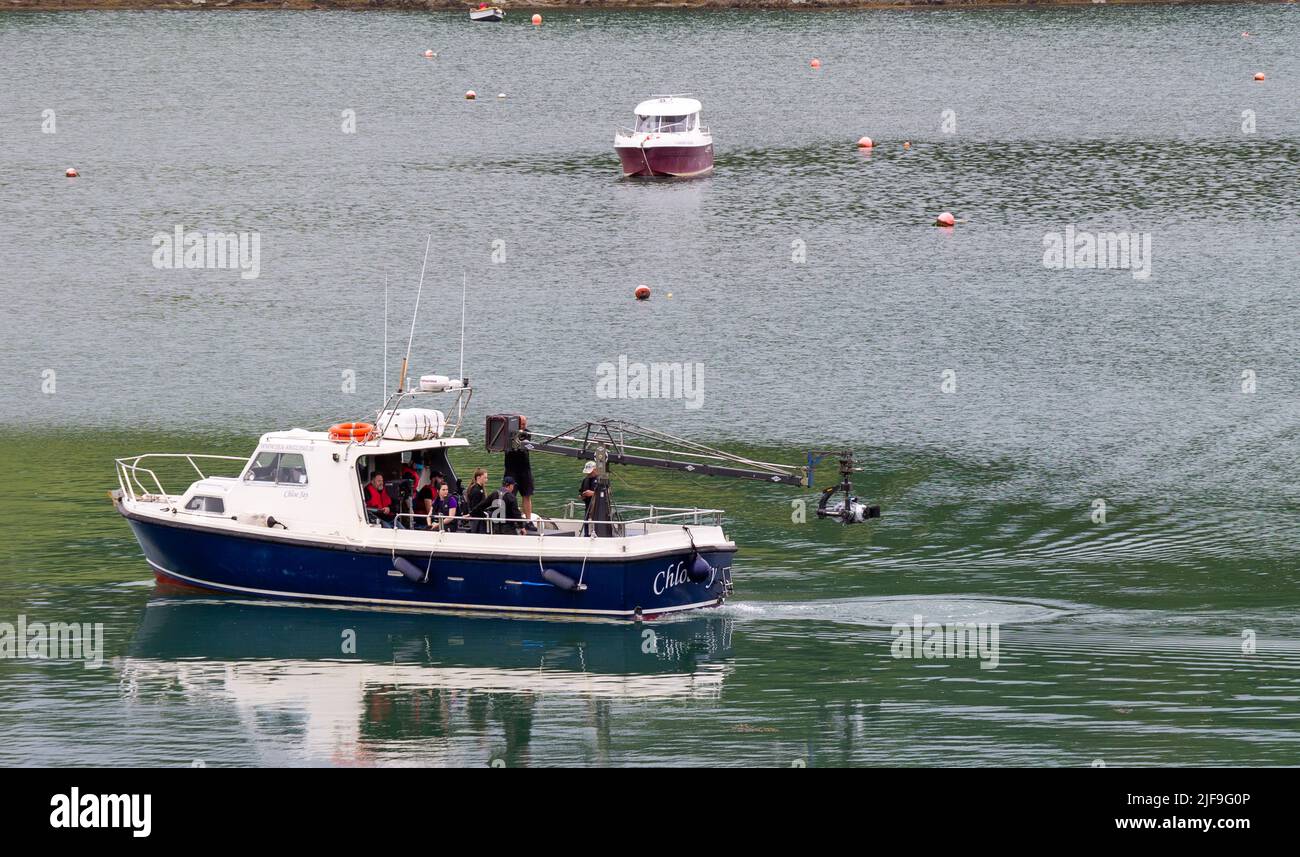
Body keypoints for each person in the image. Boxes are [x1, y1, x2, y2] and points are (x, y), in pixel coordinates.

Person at [503, 415, 535, 520]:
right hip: (511, 469)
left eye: (525, 424)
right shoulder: (506, 434)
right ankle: (511, 518)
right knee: (509, 495)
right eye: (521, 424)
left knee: (527, 495)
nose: (523, 426)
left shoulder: (527, 433)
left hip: (524, 469)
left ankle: (528, 519)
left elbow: (521, 444)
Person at [464, 467, 489, 533]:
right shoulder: (476, 490)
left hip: (478, 517)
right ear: (478, 478)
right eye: (485, 478)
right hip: (477, 519)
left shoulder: (480, 488)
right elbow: (475, 506)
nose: (486, 480)